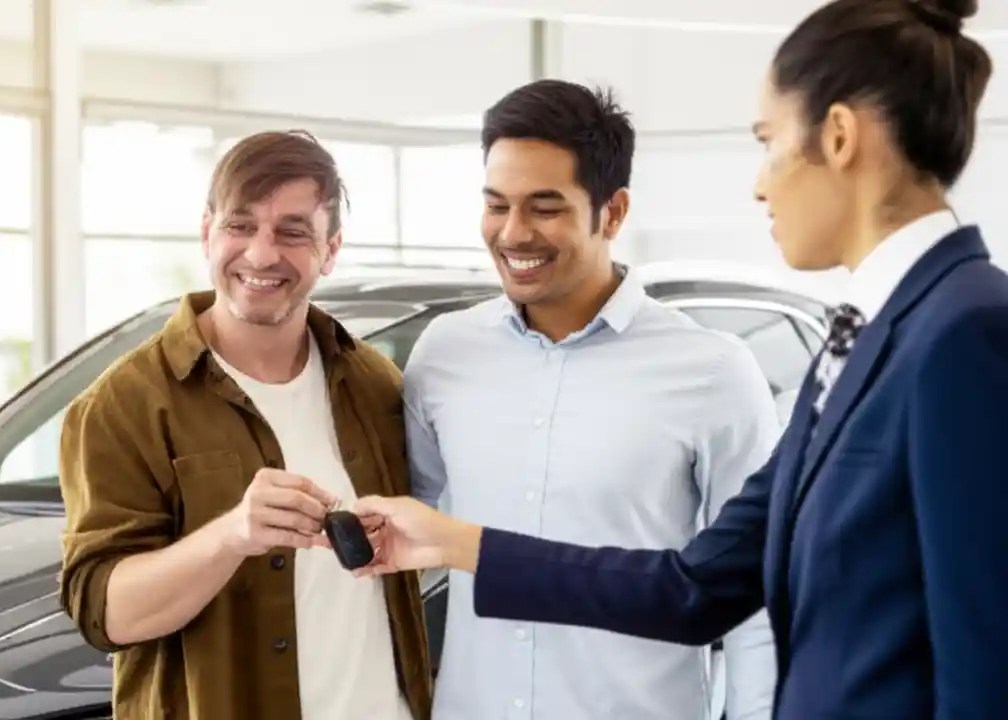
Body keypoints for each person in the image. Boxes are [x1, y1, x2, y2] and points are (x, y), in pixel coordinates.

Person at [344, 0, 1008, 718]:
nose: (759, 183)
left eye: (767, 140)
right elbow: (693, 588)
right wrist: (459, 543)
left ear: (840, 136)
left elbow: (987, 665)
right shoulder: (869, 335)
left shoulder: (966, 330)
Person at [401, 79, 778, 719]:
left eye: (545, 208)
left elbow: (757, 598)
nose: (513, 234)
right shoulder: (445, 352)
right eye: (497, 205)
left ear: (614, 212)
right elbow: (412, 540)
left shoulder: (712, 371)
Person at [57, 130, 431, 720]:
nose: (261, 254)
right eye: (241, 225)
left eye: (292, 231)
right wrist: (232, 536)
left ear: (330, 249)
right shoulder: (124, 405)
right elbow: (107, 614)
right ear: (207, 231)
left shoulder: (373, 383)